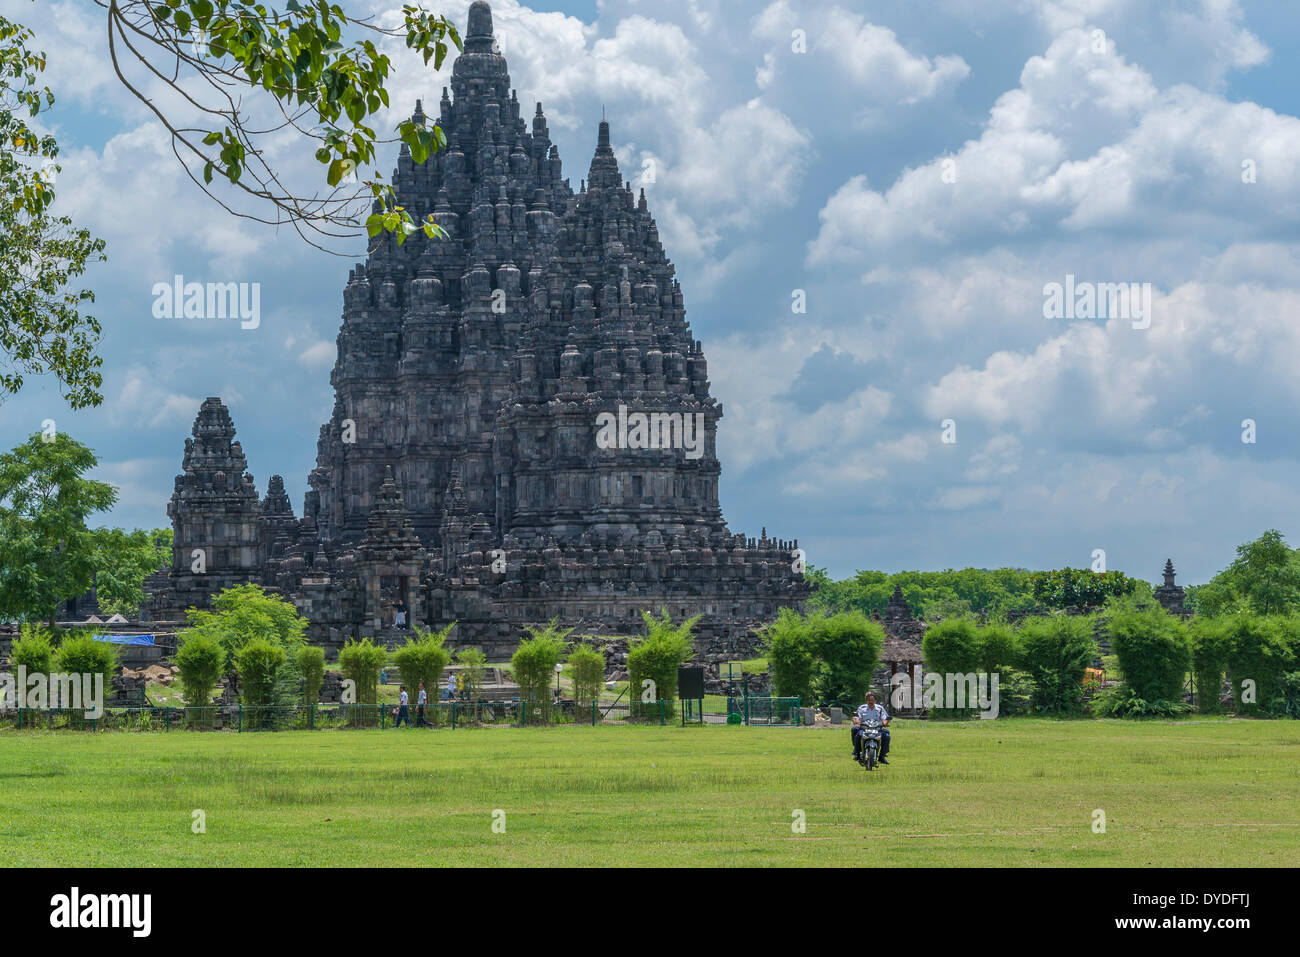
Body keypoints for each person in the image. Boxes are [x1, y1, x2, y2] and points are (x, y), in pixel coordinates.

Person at [851, 691, 891, 764]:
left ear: (875, 700)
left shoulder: (880, 708)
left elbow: (884, 718)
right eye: (869, 700)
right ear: (866, 701)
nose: (870, 702)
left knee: (886, 735)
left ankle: (882, 756)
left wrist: (885, 723)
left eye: (872, 700)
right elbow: (856, 717)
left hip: (877, 729)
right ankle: (857, 753)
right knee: (858, 734)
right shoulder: (861, 708)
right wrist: (857, 722)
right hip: (864, 729)